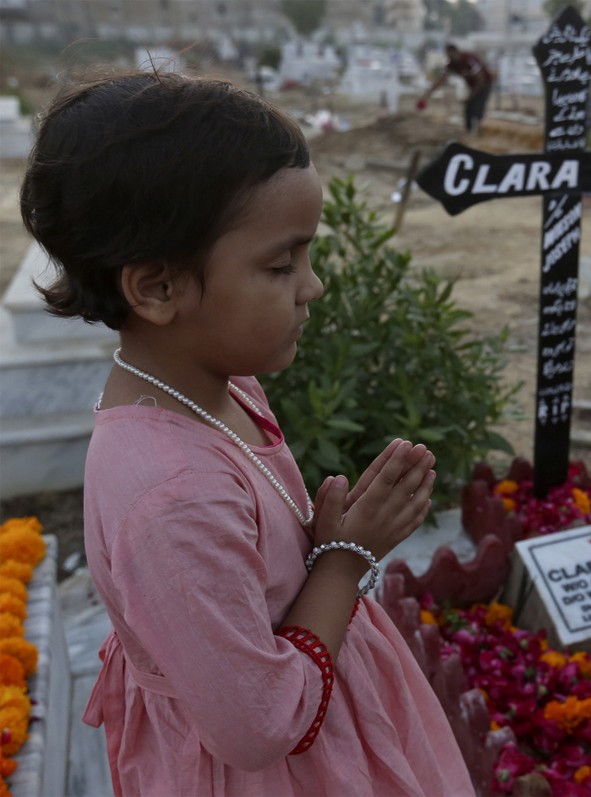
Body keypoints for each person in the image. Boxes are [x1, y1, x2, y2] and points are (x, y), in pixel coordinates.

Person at [19, 72, 474, 796]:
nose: (313, 285)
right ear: (158, 288)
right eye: (280, 264)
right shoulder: (172, 495)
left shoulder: (219, 387)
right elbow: (256, 725)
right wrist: (345, 560)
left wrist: (310, 548)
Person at [416, 43, 493, 132]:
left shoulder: (468, 59)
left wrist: (470, 97)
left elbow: (481, 80)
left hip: (484, 84)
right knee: (468, 109)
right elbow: (441, 80)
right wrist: (427, 95)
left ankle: (478, 131)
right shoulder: (452, 64)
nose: (449, 58)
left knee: (477, 108)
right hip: (473, 86)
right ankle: (469, 133)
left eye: (450, 55)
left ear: (456, 52)